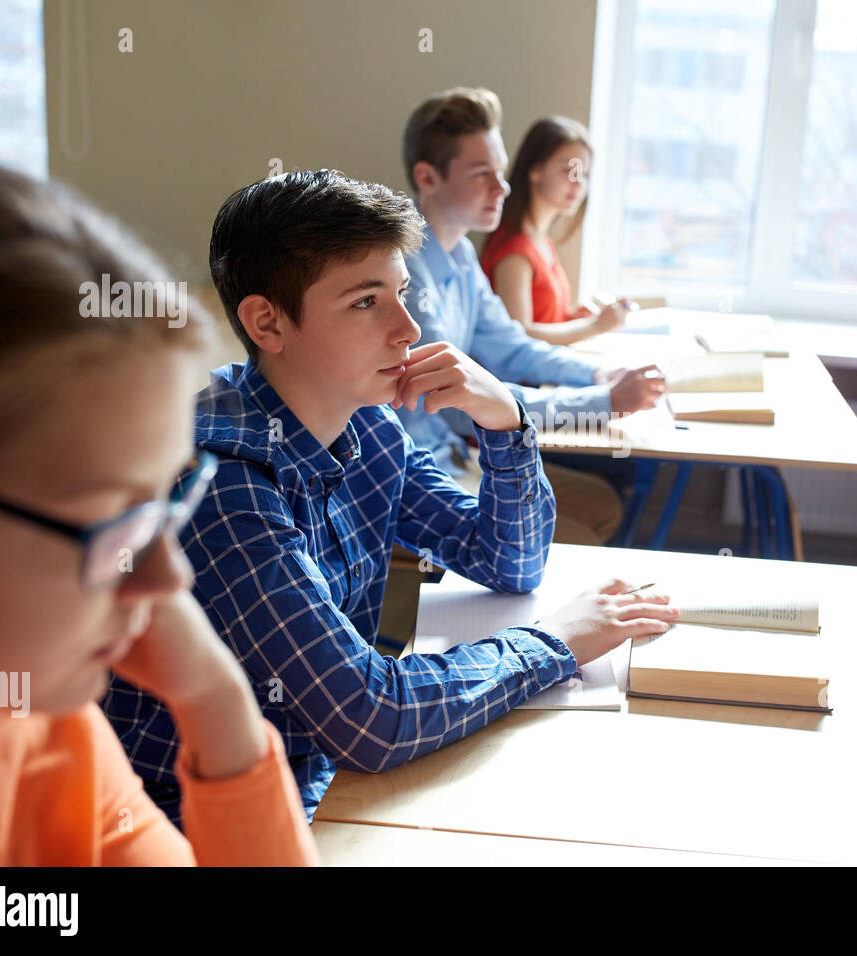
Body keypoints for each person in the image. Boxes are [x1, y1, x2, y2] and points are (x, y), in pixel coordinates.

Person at [101, 168, 677, 823]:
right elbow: (369, 717)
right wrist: (557, 642)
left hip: (316, 779)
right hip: (192, 825)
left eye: (403, 293)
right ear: (266, 322)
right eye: (367, 301)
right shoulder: (223, 481)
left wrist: (507, 419)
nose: (408, 329)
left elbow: (507, 563)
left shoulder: (367, 421)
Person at [0, 154, 317, 865]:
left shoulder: (41, 725)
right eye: (116, 521)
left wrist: (220, 705)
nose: (171, 580)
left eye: (171, 499)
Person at [396, 88, 664, 544]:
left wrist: (595, 372)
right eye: (482, 174)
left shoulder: (459, 253)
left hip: (459, 456)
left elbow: (513, 347)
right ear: (428, 177)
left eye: (500, 171)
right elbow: (461, 404)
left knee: (602, 507)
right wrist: (602, 403)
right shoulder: (407, 272)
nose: (502, 188)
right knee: (580, 530)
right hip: (420, 477)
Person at [481, 115, 629, 346]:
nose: (579, 183)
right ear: (536, 170)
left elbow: (543, 319)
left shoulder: (540, 240)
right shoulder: (514, 251)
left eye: (585, 174)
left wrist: (573, 320)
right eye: (570, 170)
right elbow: (518, 336)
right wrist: (594, 327)